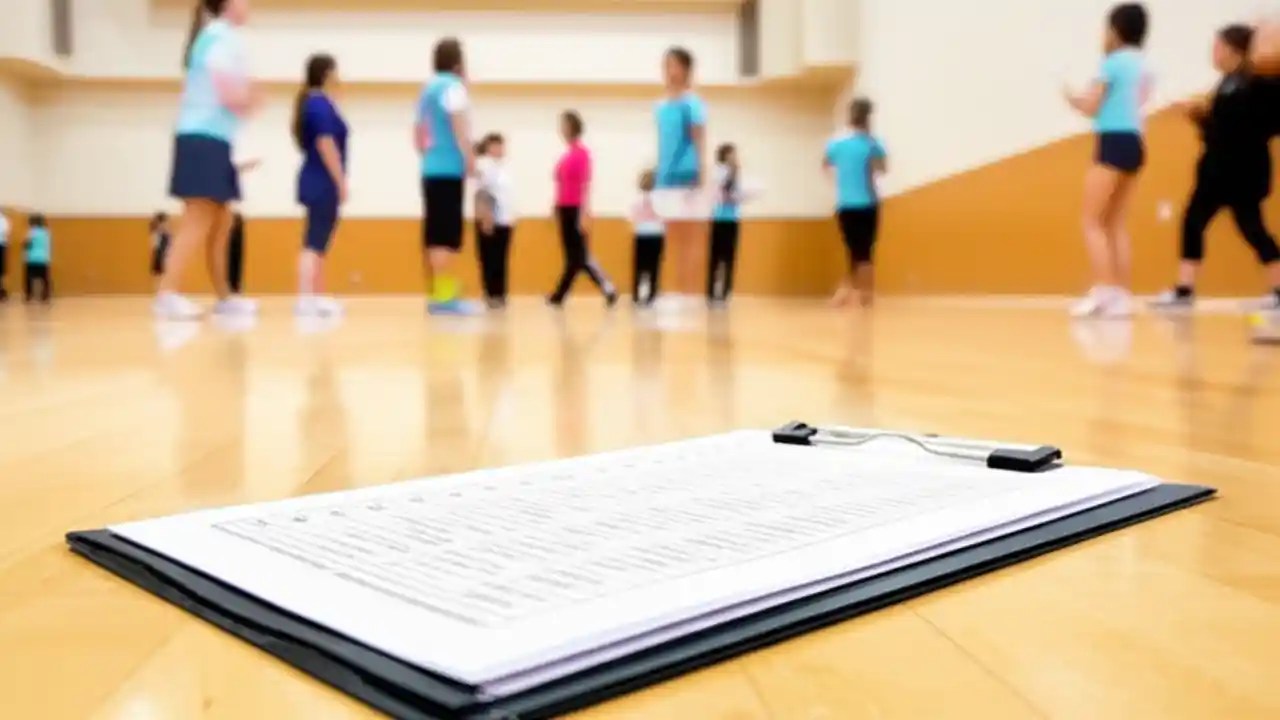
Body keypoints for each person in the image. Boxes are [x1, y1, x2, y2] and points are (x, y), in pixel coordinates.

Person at [1152, 25, 1280, 311]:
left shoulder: (1258, 83)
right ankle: (1184, 290)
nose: (1213, 52)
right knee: (1194, 222)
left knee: (1251, 228)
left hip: (1242, 169)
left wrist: (1208, 117)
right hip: (1218, 168)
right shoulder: (1227, 82)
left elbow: (1255, 125)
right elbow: (1222, 127)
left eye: (1217, 46)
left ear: (1234, 49)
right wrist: (1198, 116)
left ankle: (1277, 291)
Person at [156, 0, 260, 321]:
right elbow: (228, 93)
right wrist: (249, 100)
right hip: (203, 137)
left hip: (212, 138)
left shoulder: (215, 35)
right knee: (199, 216)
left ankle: (225, 297)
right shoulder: (221, 36)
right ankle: (167, 294)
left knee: (223, 219)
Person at [1063, 3, 1152, 318]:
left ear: (1115, 30)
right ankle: (1121, 296)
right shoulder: (1143, 65)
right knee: (1115, 223)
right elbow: (1137, 101)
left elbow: (1091, 106)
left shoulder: (1111, 63)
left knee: (1091, 221)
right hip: (1136, 142)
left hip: (1112, 142)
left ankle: (1104, 294)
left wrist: (1073, 99)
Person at [415, 37, 479, 316]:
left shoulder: (427, 89)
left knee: (435, 234)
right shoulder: (453, 87)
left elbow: (418, 133)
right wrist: (469, 157)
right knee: (446, 236)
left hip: (430, 168)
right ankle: (443, 298)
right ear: (458, 62)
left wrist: (429, 155)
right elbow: (459, 124)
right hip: (448, 170)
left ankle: (441, 294)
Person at [293, 52, 348, 317]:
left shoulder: (320, 103)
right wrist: (341, 180)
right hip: (321, 179)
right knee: (313, 243)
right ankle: (306, 298)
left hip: (318, 179)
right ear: (327, 73)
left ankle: (316, 296)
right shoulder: (318, 104)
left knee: (319, 242)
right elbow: (326, 144)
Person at [652, 47, 708, 304]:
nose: (668, 71)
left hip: (687, 174)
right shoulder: (660, 105)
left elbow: (699, 139)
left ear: (685, 69)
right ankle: (674, 290)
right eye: (665, 65)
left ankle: (691, 293)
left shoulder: (692, 102)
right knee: (668, 235)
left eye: (673, 65)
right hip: (665, 177)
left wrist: (701, 174)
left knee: (689, 237)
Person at [548, 110, 617, 307]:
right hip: (564, 207)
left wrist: (584, 212)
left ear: (572, 127)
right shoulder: (567, 153)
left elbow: (585, 184)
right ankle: (561, 295)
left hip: (575, 208)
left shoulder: (582, 153)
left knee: (579, 257)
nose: (561, 129)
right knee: (575, 257)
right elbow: (561, 183)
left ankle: (562, 294)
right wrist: (555, 205)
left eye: (564, 125)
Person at [825, 98, 887, 308]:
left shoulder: (837, 144)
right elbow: (882, 169)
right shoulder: (872, 143)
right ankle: (863, 296)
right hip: (868, 202)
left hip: (846, 204)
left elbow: (825, 164)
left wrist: (840, 182)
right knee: (866, 251)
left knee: (854, 251)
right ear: (868, 118)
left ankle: (848, 294)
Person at [708, 143, 759, 307]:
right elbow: (722, 190)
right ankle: (711, 293)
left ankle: (725, 293)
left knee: (729, 257)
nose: (735, 157)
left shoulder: (738, 173)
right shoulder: (718, 171)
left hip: (732, 219)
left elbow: (738, 193)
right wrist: (733, 172)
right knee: (716, 258)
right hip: (718, 218)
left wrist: (744, 195)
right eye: (732, 154)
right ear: (724, 155)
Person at [474, 132, 515, 309]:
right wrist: (486, 217)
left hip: (505, 220)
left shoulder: (503, 168)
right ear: (488, 147)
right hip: (490, 220)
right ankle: (491, 293)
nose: (500, 149)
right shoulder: (484, 165)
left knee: (501, 258)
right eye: (496, 145)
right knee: (489, 258)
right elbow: (482, 192)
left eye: (501, 145)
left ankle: (500, 293)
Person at [630, 169, 665, 307]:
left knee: (640, 266)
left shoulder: (637, 198)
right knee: (653, 266)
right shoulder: (659, 197)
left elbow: (632, 216)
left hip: (641, 234)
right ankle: (651, 294)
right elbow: (662, 214)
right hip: (655, 234)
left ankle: (637, 295)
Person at [24, 214, 51, 304]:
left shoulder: (31, 232)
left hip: (32, 258)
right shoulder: (46, 232)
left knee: (29, 278)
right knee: (45, 278)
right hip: (44, 258)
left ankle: (29, 295)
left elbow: (27, 243)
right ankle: (45, 295)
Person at [149, 212, 172, 285]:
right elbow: (154, 245)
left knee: (164, 274)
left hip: (165, 254)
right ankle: (160, 291)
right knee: (159, 274)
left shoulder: (166, 233)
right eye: (165, 222)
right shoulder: (157, 232)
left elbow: (169, 244)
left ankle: (163, 291)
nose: (167, 224)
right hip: (160, 254)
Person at [0, 211, 9, 301]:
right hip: (2, 245)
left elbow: (5, 233)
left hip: (1, 245)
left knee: (1, 270)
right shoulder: (4, 220)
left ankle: (2, 291)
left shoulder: (3, 220)